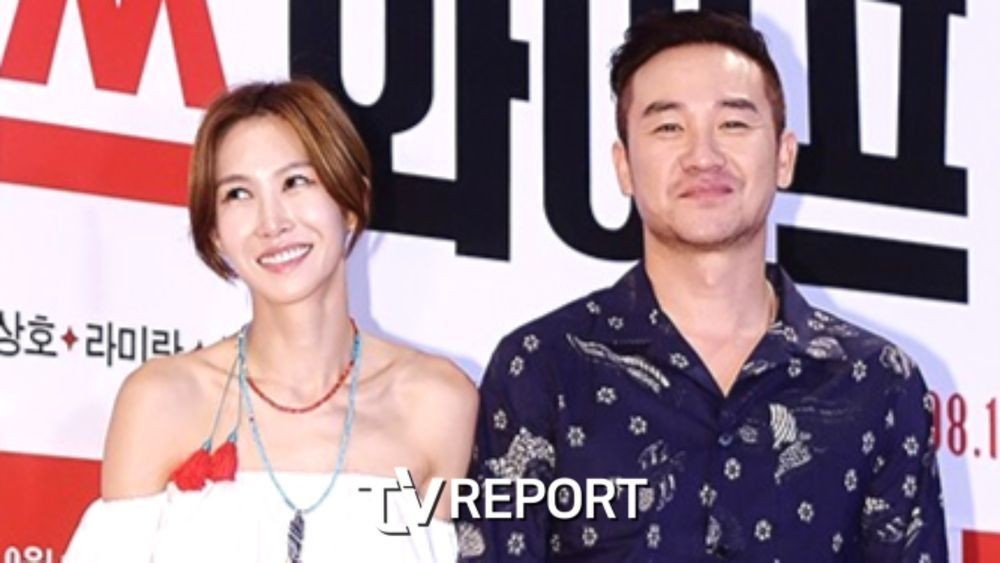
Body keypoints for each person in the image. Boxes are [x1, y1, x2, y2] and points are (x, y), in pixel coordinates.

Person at [459, 10, 946, 562]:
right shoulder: (542, 369)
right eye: (669, 127)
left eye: (733, 124)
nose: (703, 156)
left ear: (784, 156)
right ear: (624, 167)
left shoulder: (879, 385)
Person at [64, 79, 477, 562]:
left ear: (351, 203)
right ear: (215, 233)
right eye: (238, 194)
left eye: (296, 182)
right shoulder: (163, 400)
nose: (272, 222)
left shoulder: (437, 403)